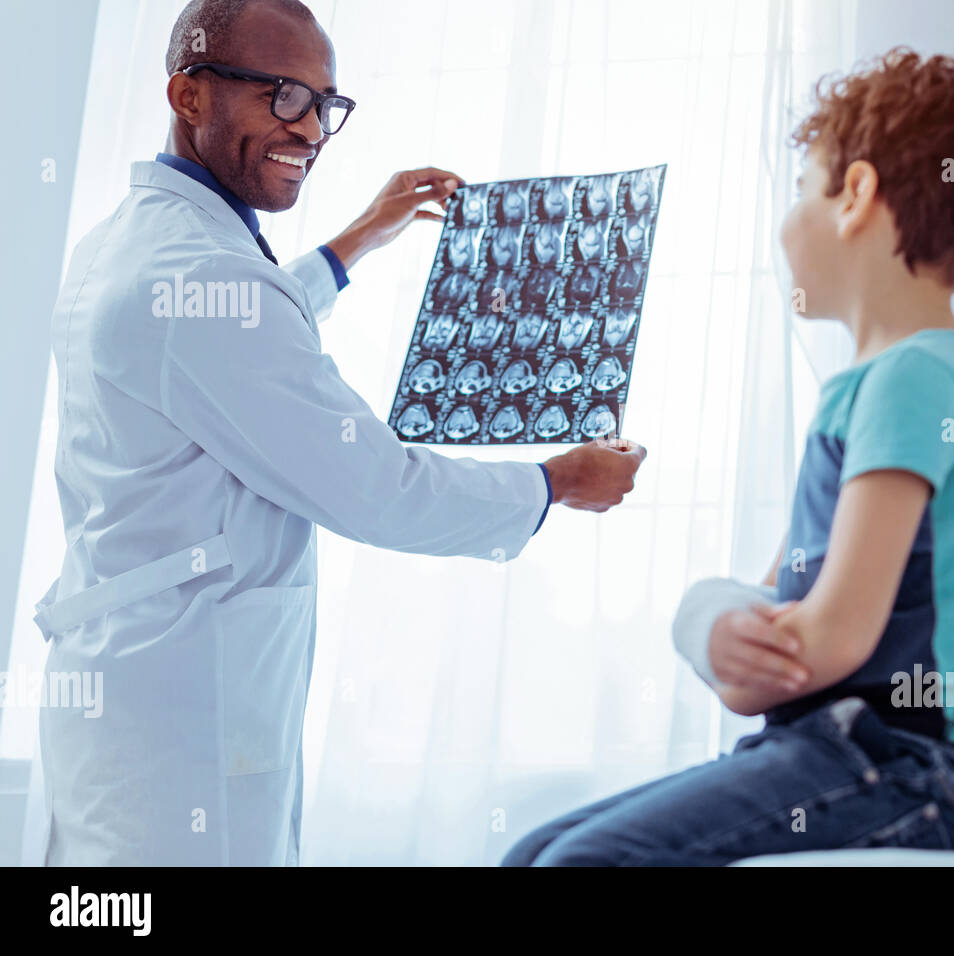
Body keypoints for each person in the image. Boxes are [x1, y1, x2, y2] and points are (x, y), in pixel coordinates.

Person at [34, 0, 644, 866]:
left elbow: (227, 364)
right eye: (283, 97)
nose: (313, 129)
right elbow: (376, 487)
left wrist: (354, 244)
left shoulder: (130, 244)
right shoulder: (203, 271)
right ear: (190, 94)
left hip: (133, 698)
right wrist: (552, 484)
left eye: (328, 104)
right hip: (183, 735)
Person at [503, 47, 954, 866]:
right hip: (856, 748)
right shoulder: (890, 380)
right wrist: (708, 620)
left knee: (577, 863)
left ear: (855, 195)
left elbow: (825, 645)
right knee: (536, 850)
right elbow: (784, 593)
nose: (788, 218)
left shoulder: (914, 377)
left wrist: (718, 637)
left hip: (919, 763)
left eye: (801, 188)